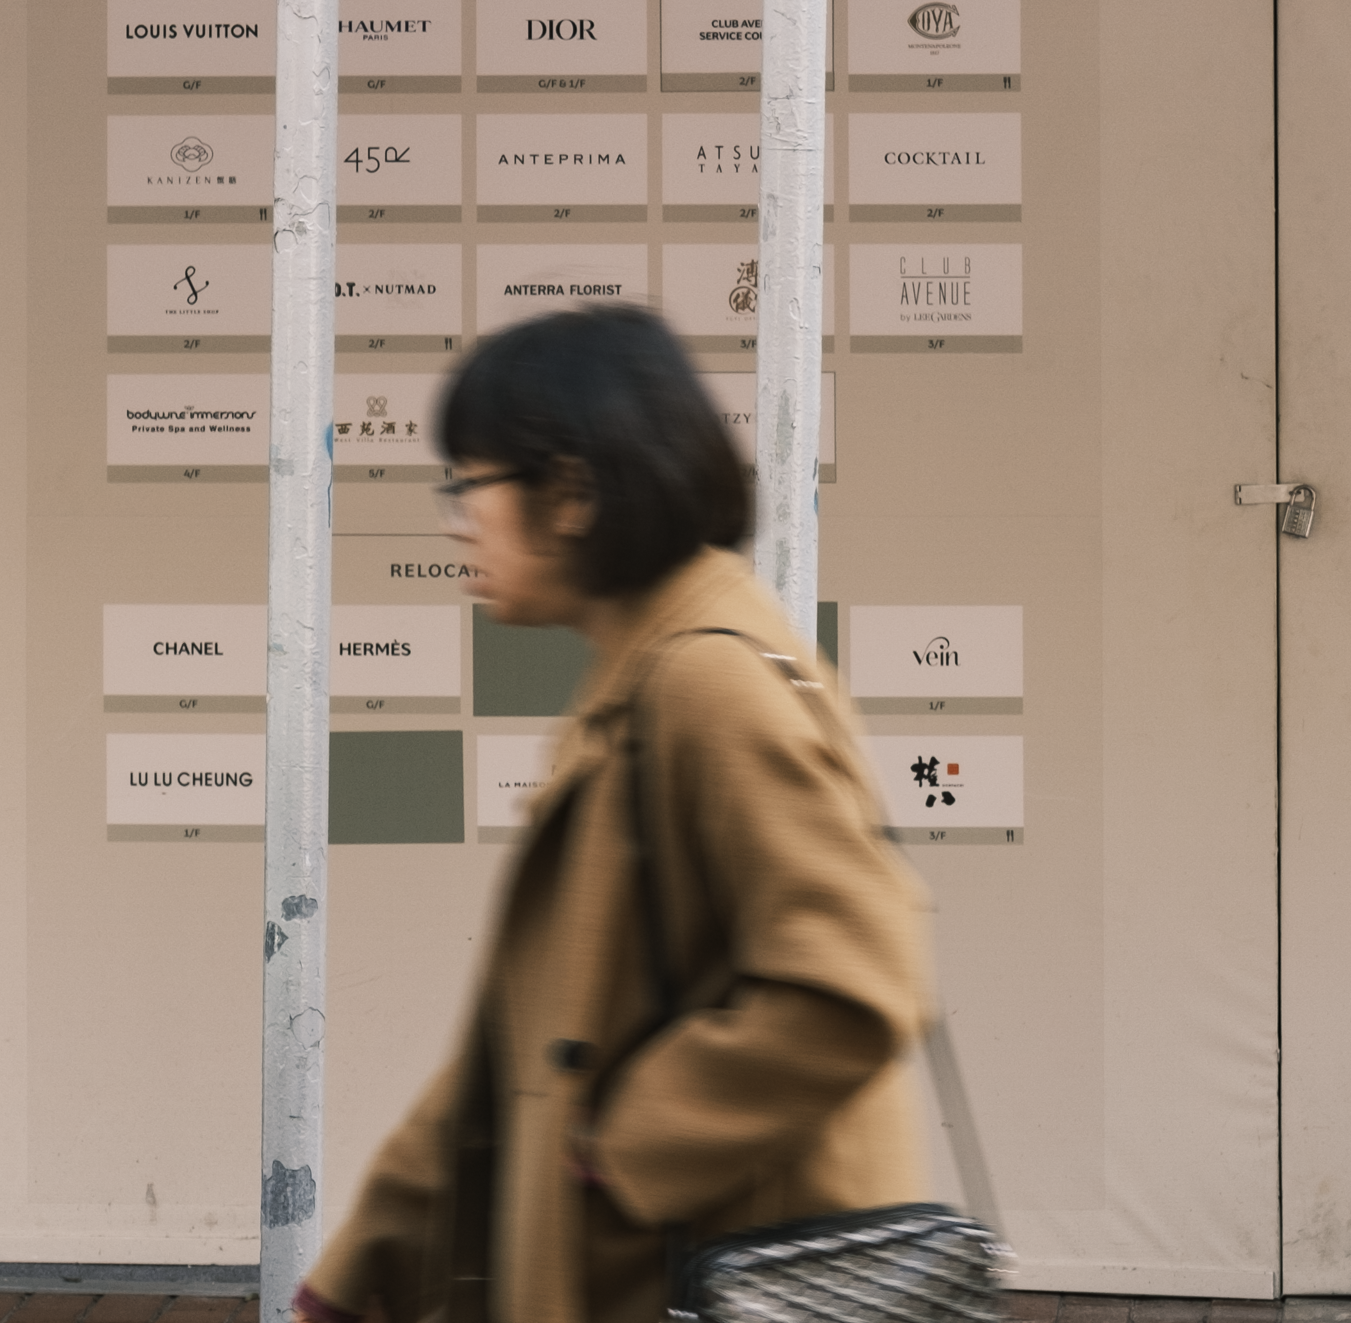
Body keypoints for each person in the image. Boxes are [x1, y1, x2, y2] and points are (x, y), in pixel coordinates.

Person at [300, 304, 937, 1323]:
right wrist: (377, 1247)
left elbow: (853, 981)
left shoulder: (704, 681)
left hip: (711, 1275)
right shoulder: (648, 671)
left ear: (574, 493)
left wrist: (622, 1148)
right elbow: (526, 1039)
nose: (454, 515)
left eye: (471, 481)